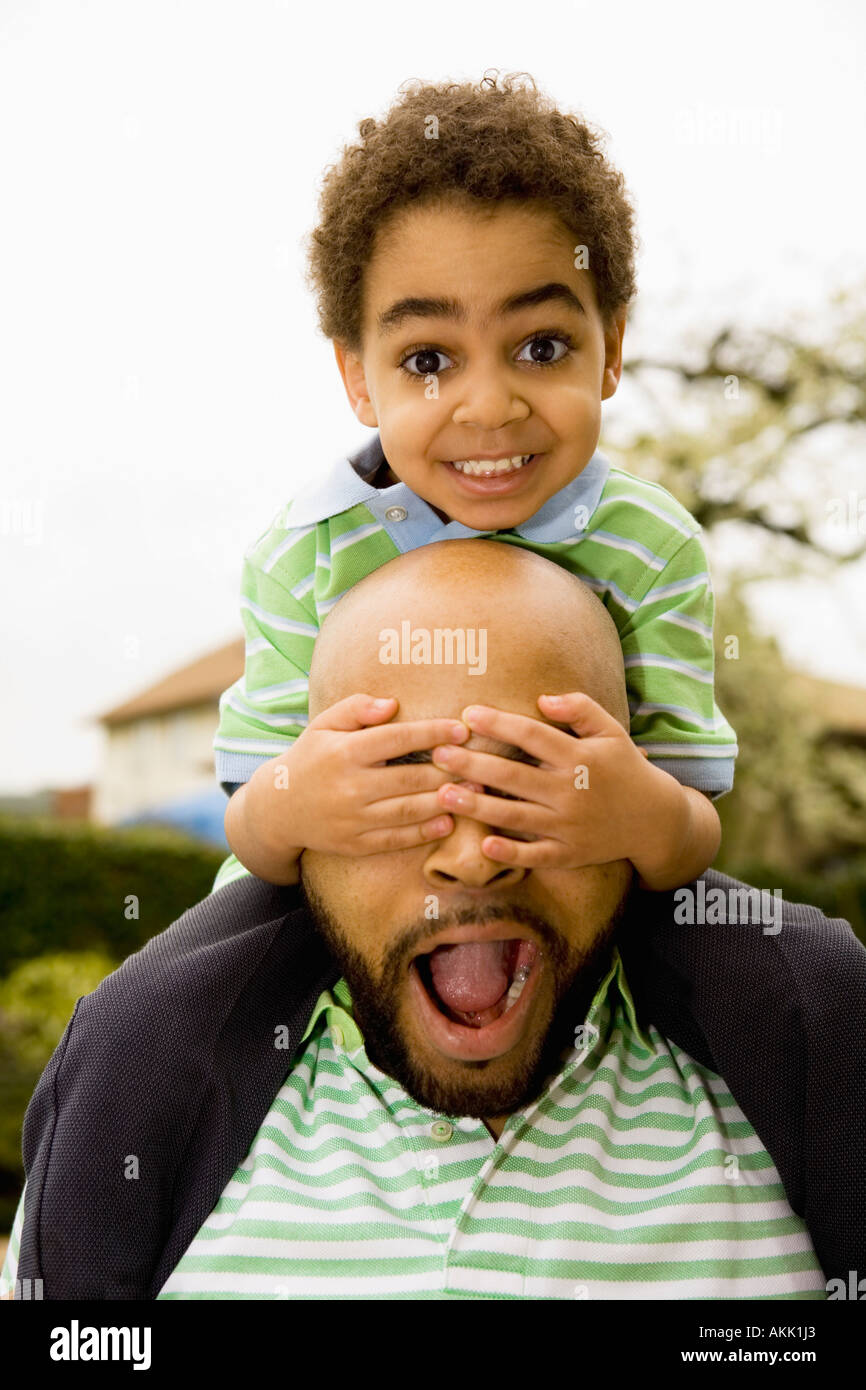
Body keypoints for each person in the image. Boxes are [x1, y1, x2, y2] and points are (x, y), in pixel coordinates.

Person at [5, 542, 865, 1300]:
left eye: (533, 781)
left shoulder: (803, 1083)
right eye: (393, 791)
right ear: (299, 840)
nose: (473, 856)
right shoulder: (145, 1114)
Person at [211, 71, 736, 901]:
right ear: (358, 378)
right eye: (428, 361)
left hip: (571, 934)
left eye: (541, 347)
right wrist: (293, 809)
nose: (491, 406)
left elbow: (691, 822)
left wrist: (646, 819)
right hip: (323, 927)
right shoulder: (304, 554)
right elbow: (251, 816)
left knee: (786, 964)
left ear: (612, 349)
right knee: (158, 1005)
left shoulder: (650, 548)